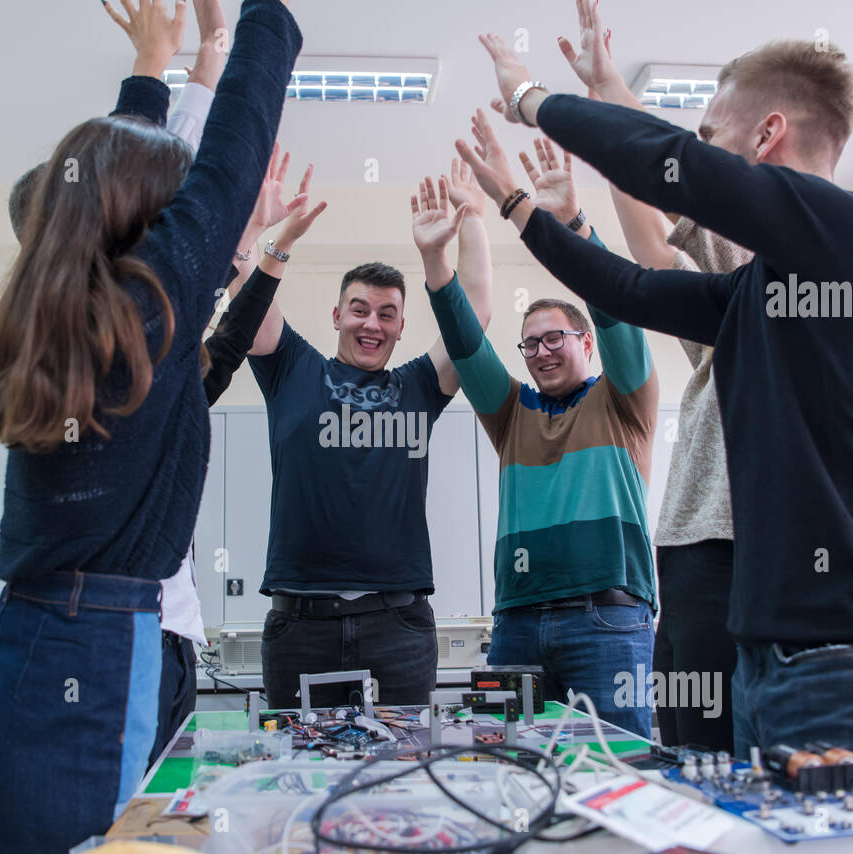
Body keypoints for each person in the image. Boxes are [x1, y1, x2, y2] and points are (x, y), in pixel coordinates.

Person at [466, 7, 853, 854]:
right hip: (768, 662)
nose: (696, 149)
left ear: (769, 133)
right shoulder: (761, 294)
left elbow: (676, 171)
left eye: (710, 131)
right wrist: (519, 209)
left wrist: (529, 97)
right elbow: (626, 287)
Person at [0, 0, 303, 854]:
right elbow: (232, 154)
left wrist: (153, 72)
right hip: (89, 663)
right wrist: (255, 22)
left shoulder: (83, 315)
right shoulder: (137, 313)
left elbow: (103, 182)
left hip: (30, 652)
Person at [412, 128, 659, 737]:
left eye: (556, 337)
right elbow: (467, 344)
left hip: (608, 621)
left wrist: (573, 223)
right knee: (508, 761)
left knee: (616, 765)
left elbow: (616, 308)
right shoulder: (511, 412)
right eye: (531, 342)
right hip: (519, 624)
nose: (542, 350)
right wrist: (435, 263)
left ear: (585, 342)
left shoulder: (624, 399)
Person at [560, 0, 751, 751]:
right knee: (682, 756)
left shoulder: (787, 274)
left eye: (712, 135)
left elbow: (690, 189)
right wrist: (611, 124)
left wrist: (609, 100)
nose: (700, 147)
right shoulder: (725, 325)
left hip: (741, 555)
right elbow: (652, 249)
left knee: (723, 767)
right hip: (686, 562)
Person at [245, 159, 496, 709]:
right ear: (336, 315)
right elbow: (248, 303)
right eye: (359, 310)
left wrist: (472, 218)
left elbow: (474, 315)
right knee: (300, 784)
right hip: (300, 625)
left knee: (403, 780)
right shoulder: (292, 368)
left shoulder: (420, 387)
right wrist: (253, 231)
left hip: (397, 626)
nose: (372, 324)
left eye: (387, 314)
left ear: (402, 327)